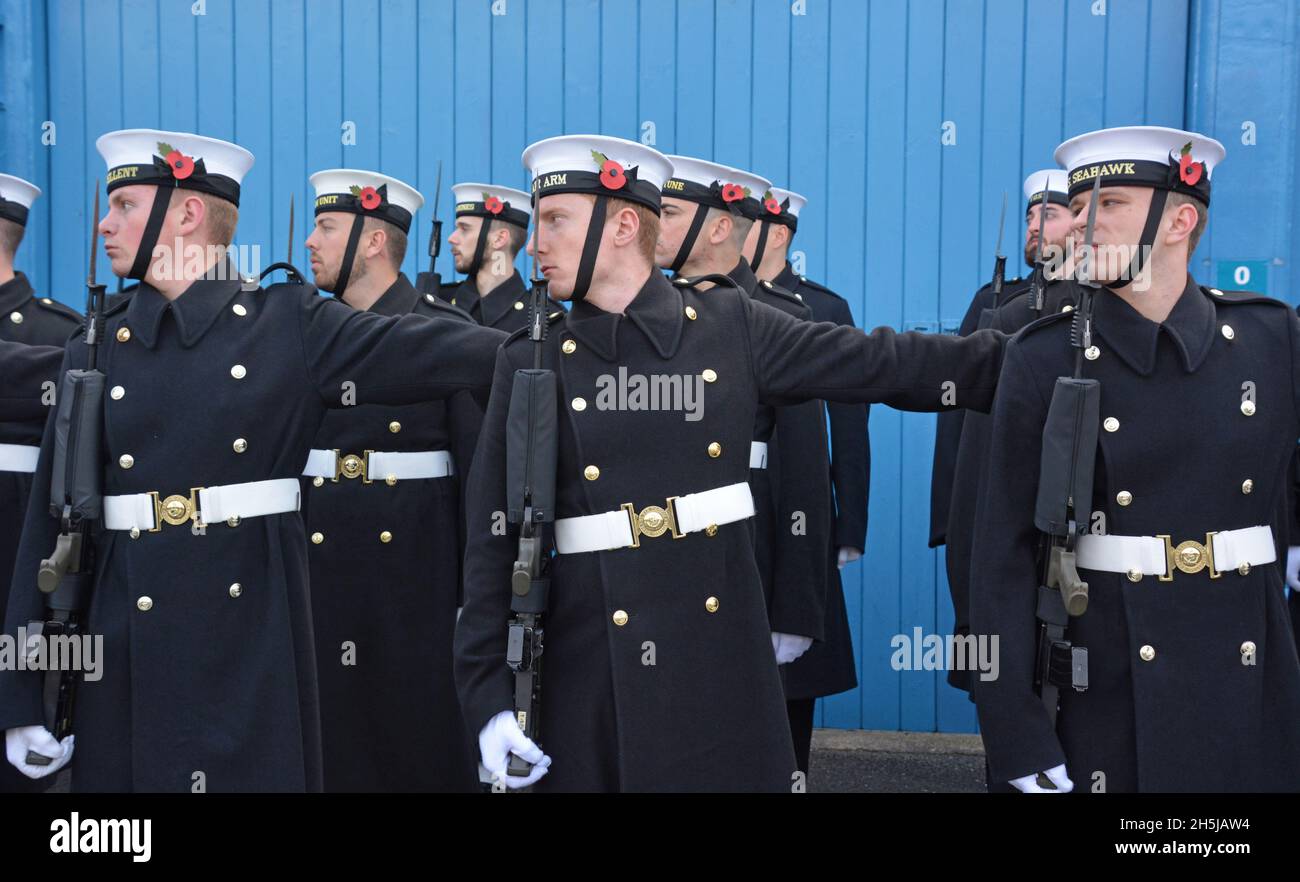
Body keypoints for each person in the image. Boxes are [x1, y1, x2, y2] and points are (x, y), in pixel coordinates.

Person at [454, 134, 1006, 792]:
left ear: (624, 223)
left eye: (555, 221)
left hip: (715, 663)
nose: (535, 242)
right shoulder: (530, 358)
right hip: (587, 669)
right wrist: (489, 699)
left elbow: (880, 363)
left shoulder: (728, 326)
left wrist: (1025, 362)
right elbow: (494, 544)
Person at [0, 129, 507, 791]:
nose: (103, 221)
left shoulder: (284, 325)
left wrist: (553, 351)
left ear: (185, 216)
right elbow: (51, 526)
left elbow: (436, 352)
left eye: (123, 204)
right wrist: (22, 694)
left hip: (250, 641)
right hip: (126, 645)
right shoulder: (98, 346)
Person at [970, 125, 1300, 793]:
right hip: (1111, 677)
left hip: (1251, 666)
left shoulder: (1271, 338)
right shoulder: (1044, 357)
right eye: (1081, 206)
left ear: (1180, 220)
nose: (1082, 225)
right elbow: (1000, 556)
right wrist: (1014, 727)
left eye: (1110, 204)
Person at [300, 168, 484, 791]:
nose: (309, 242)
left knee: (414, 744)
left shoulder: (444, 332)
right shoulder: (304, 333)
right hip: (320, 573)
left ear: (374, 242)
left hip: (415, 582)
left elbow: (478, 477)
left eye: (326, 227)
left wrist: (473, 599)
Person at [744, 186, 865, 771]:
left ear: (778, 234)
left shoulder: (821, 308)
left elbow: (848, 426)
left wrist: (850, 524)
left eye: (747, 224)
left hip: (800, 508)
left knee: (792, 679)